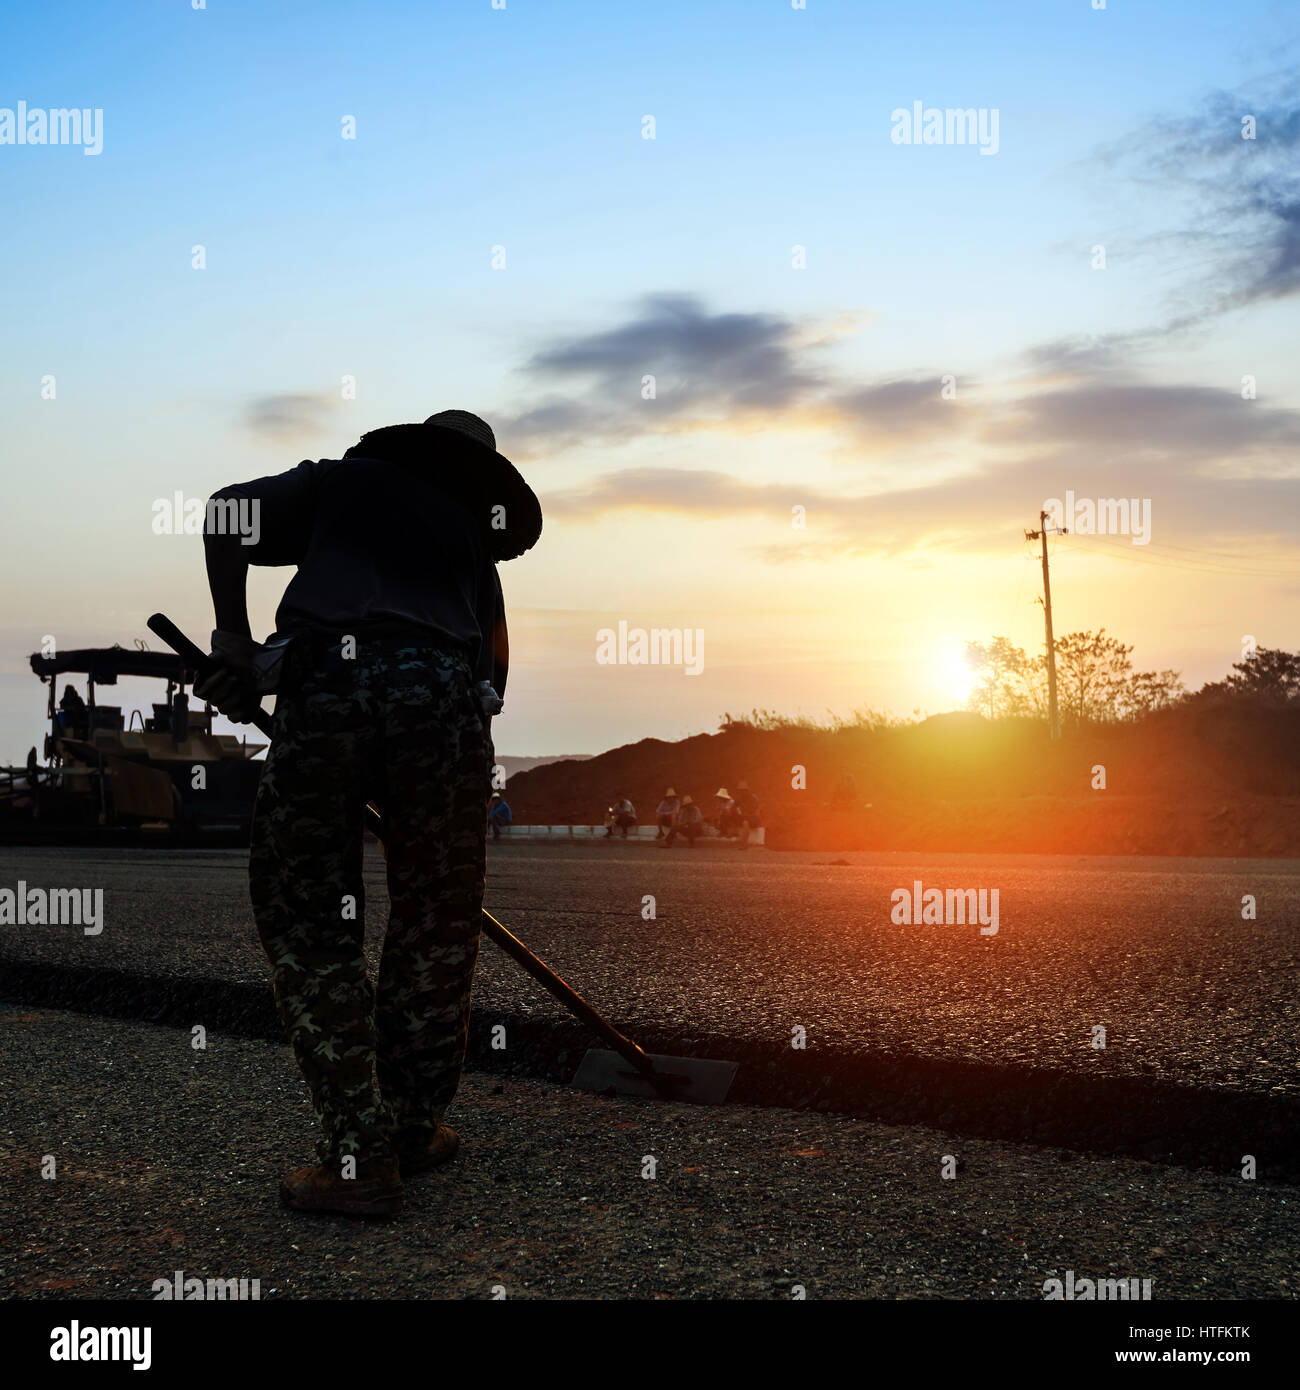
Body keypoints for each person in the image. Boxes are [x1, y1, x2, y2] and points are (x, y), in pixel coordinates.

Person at [196, 409, 541, 1218]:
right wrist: (440, 754)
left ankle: (359, 1152)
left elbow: (224, 516)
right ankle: (414, 1130)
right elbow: (493, 675)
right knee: (437, 918)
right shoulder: (468, 541)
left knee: (311, 913)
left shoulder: (341, 484)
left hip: (331, 691)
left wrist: (233, 644)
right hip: (447, 708)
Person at [733, 779, 762, 849]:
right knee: (736, 818)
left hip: (753, 818)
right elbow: (734, 807)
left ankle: (744, 844)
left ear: (747, 790)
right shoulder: (739, 798)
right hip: (743, 817)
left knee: (745, 822)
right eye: (740, 790)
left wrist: (742, 811)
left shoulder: (753, 798)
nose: (742, 792)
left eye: (743, 790)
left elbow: (752, 811)